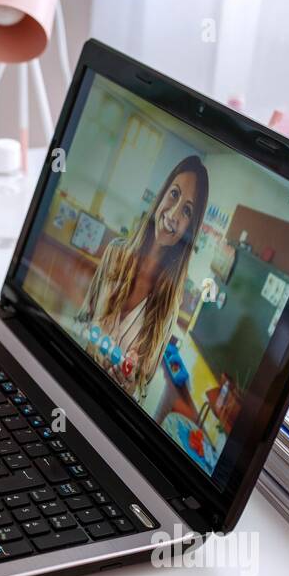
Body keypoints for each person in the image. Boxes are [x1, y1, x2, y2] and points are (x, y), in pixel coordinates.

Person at [71, 155, 209, 402]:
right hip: (73, 382)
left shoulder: (169, 308)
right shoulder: (114, 252)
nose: (174, 214)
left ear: (190, 228)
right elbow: (83, 318)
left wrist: (128, 383)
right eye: (174, 194)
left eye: (187, 210)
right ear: (162, 194)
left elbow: (142, 383)